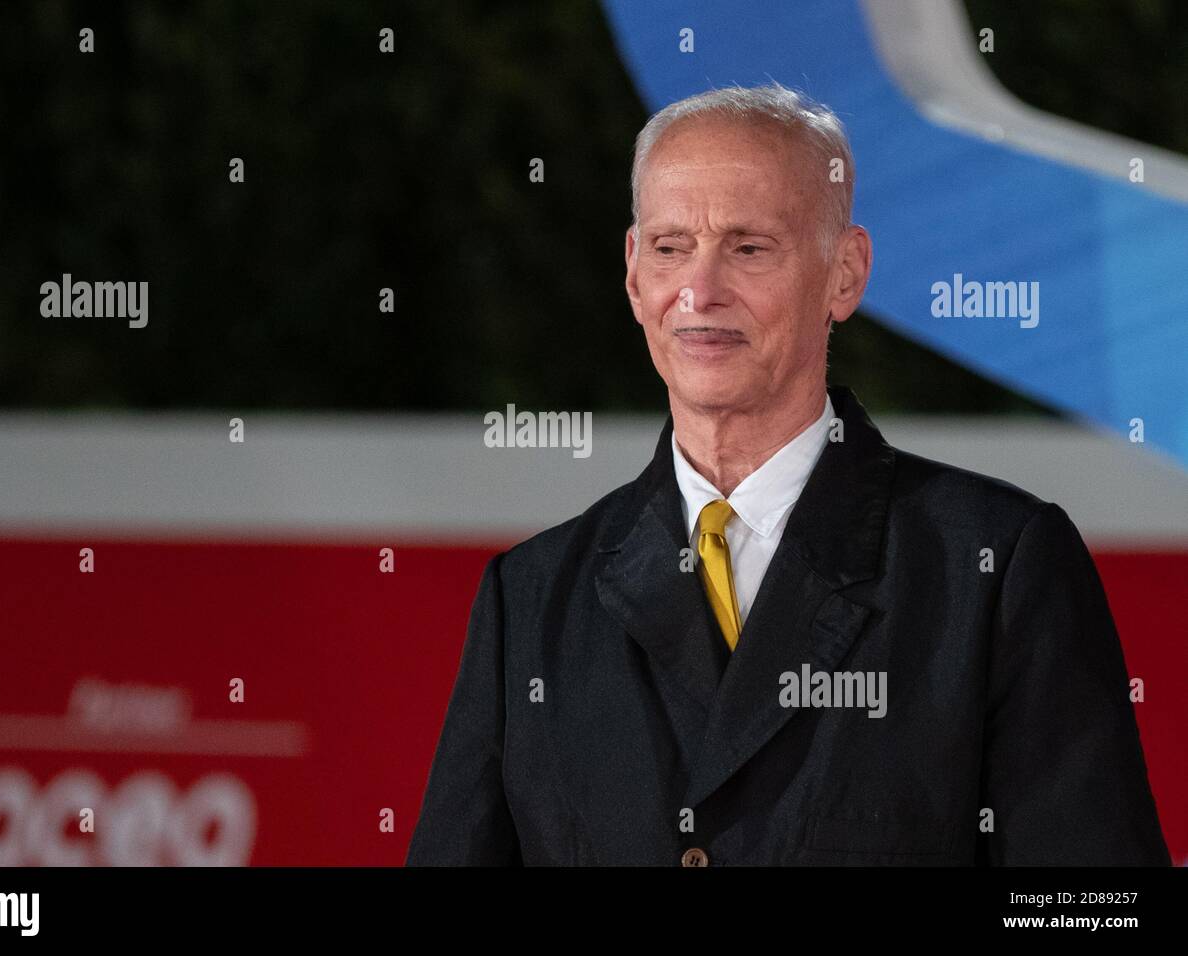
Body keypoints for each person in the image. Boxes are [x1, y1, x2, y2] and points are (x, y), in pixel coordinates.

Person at [405, 84, 1170, 866]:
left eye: (748, 247)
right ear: (635, 275)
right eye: (671, 247)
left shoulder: (996, 566)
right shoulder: (528, 598)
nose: (700, 292)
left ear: (844, 273)